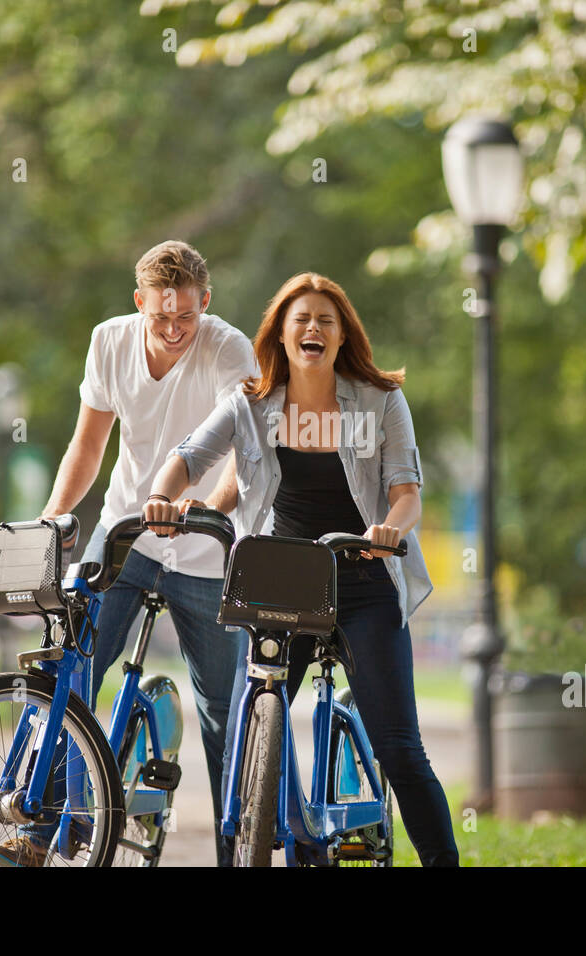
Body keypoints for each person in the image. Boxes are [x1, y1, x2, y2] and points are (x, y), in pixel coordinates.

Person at [145, 272, 460, 867]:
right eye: (301, 320)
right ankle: (284, 840)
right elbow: (189, 458)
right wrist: (164, 497)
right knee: (252, 734)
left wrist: (389, 527)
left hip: (363, 579)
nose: (312, 328)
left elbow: (408, 492)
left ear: (342, 338)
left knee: (400, 750)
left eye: (325, 320)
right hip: (281, 583)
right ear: (282, 337)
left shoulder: (382, 400)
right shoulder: (250, 402)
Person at [0, 240, 256, 867]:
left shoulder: (228, 349)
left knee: (224, 706)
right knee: (71, 672)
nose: (173, 329)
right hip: (125, 534)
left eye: (185, 315)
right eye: (160, 316)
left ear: (205, 304)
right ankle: (42, 831)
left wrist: (207, 510)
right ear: (140, 303)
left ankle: (239, 845)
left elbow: (243, 460)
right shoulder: (110, 341)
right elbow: (88, 447)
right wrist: (54, 518)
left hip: (205, 549)